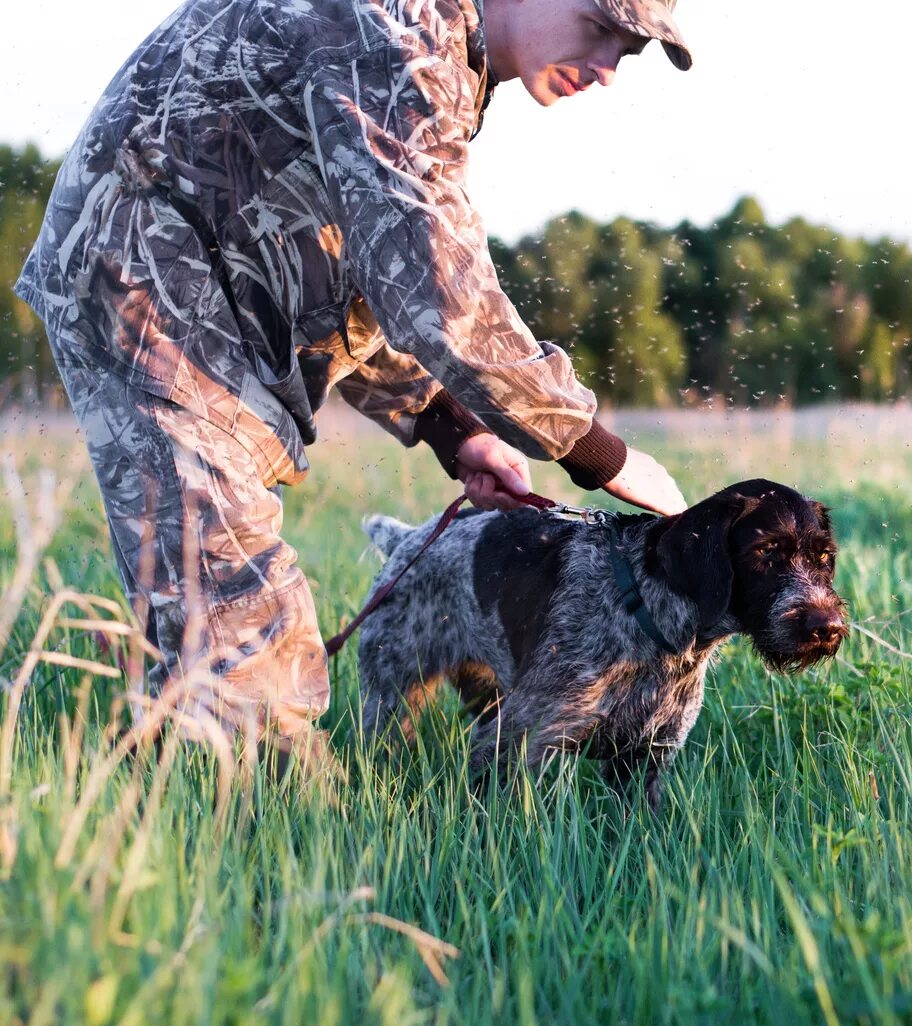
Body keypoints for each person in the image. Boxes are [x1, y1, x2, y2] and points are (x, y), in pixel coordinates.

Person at [12, 0, 693, 769]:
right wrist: (599, 454)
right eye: (598, 30)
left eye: (625, 53)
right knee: (244, 620)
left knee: (206, 623)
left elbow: (359, 266)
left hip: (200, 305)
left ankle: (155, 815)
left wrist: (450, 424)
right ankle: (290, 865)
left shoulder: (444, 57)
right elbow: (440, 294)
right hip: (146, 291)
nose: (604, 69)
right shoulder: (401, 30)